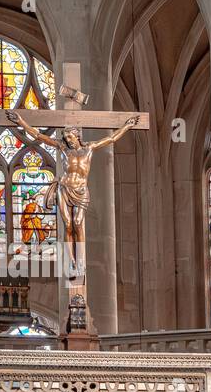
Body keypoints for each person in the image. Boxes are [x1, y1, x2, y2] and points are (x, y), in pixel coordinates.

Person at [7, 111, 139, 275]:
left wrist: (126, 126)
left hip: (81, 190)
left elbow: (110, 139)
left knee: (78, 222)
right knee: (68, 225)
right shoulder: (62, 148)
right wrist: (21, 121)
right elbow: (39, 136)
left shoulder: (89, 148)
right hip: (64, 189)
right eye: (66, 137)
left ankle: (81, 260)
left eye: (70, 137)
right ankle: (72, 262)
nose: (68, 140)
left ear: (77, 136)